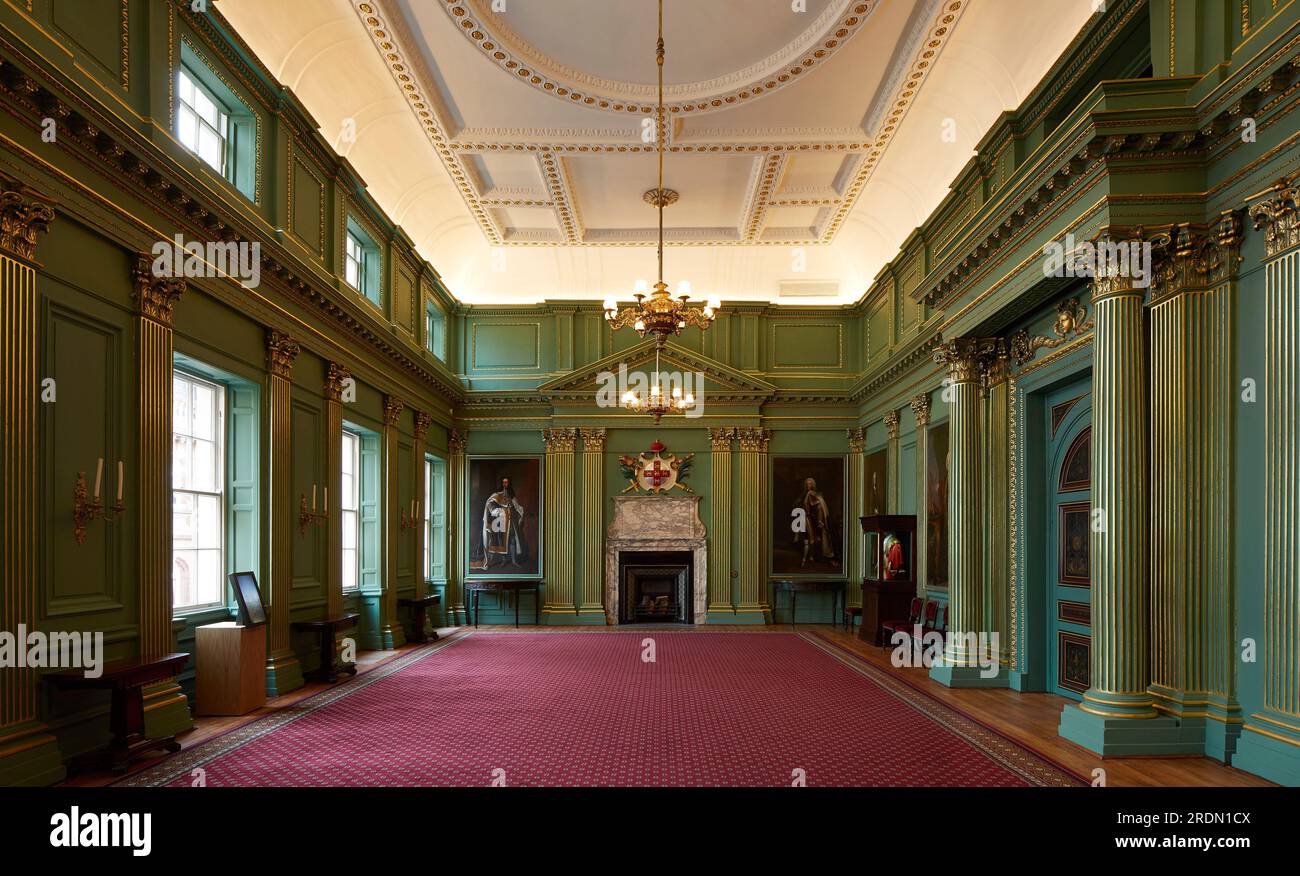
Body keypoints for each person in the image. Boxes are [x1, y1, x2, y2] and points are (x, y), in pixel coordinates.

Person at [480, 476, 527, 569]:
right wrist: (496, 511)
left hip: (510, 520)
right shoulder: (497, 494)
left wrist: (522, 512)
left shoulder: (511, 495)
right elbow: (489, 503)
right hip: (500, 520)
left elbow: (517, 506)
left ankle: (514, 561)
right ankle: (503, 560)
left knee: (512, 540)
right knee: (501, 541)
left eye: (507, 482)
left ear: (509, 483)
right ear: (501, 483)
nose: (505, 484)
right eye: (504, 482)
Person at [795, 477, 836, 567]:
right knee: (808, 539)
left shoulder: (814, 494)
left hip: (813, 518)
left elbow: (819, 507)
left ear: (813, 484)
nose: (808, 485)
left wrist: (820, 520)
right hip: (805, 518)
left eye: (810, 483)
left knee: (815, 538)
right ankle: (808, 558)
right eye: (807, 484)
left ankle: (811, 557)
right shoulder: (804, 495)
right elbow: (798, 505)